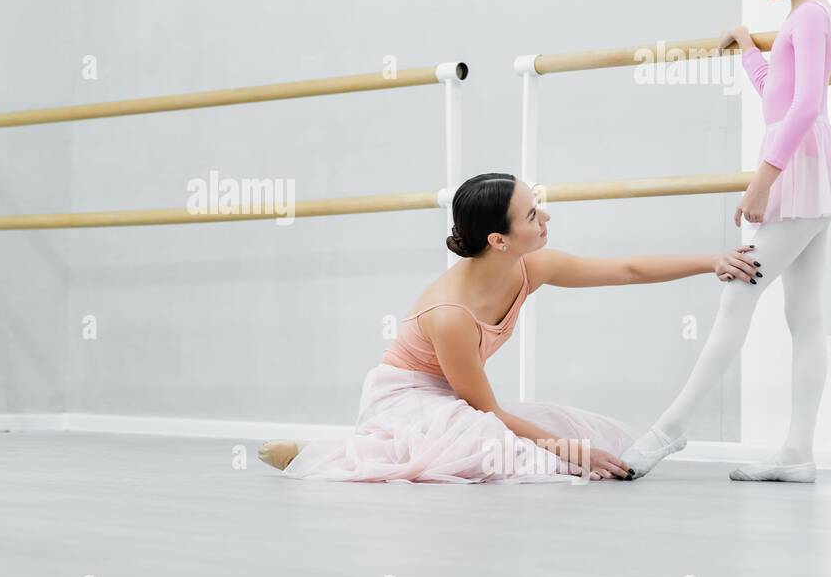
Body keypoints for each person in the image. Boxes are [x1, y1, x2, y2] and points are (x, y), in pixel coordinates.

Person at [259, 174, 762, 484]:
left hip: (455, 397)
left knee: (566, 430)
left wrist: (712, 261)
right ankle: (324, 455)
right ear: (499, 239)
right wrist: (572, 455)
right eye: (531, 213)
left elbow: (626, 268)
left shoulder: (531, 266)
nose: (545, 216)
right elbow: (487, 410)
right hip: (407, 397)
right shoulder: (450, 314)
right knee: (491, 447)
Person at [622, 0, 831, 483]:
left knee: (738, 291)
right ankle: (797, 453)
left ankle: (670, 429)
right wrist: (752, 50)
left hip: (796, 170)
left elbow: (806, 106)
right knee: (803, 315)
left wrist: (763, 180)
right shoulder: (805, 17)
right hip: (805, 167)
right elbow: (779, 98)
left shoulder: (810, 18)